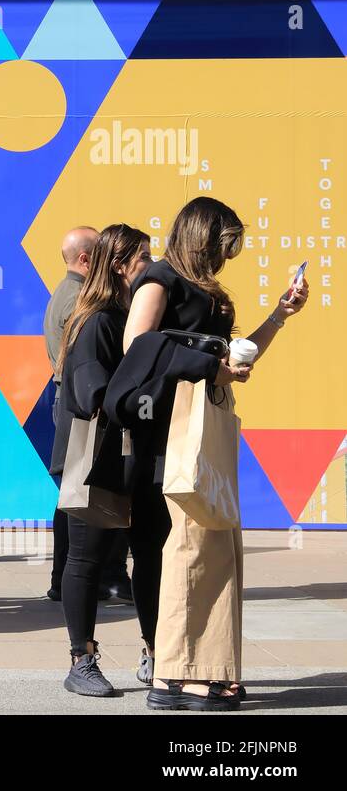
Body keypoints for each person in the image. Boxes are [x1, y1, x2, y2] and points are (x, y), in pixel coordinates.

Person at [119, 197, 308, 711]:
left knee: (215, 547)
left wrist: (279, 316)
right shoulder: (161, 279)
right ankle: (180, 677)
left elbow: (235, 355)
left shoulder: (203, 290)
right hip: (178, 426)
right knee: (191, 547)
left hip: (209, 421)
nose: (228, 257)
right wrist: (209, 367)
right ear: (202, 236)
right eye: (224, 245)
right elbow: (136, 345)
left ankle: (199, 671)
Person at [51, 224, 151, 697]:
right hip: (93, 455)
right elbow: (93, 392)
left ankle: (155, 651)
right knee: (86, 560)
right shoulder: (99, 321)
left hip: (131, 454)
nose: (150, 267)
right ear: (118, 265)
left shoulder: (134, 315)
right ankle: (81, 660)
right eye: (142, 258)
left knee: (148, 557)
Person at [43, 227, 132, 602]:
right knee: (90, 495)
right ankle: (103, 575)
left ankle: (66, 577)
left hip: (71, 401)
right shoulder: (84, 302)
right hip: (84, 406)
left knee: (74, 497)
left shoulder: (64, 294)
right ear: (85, 260)